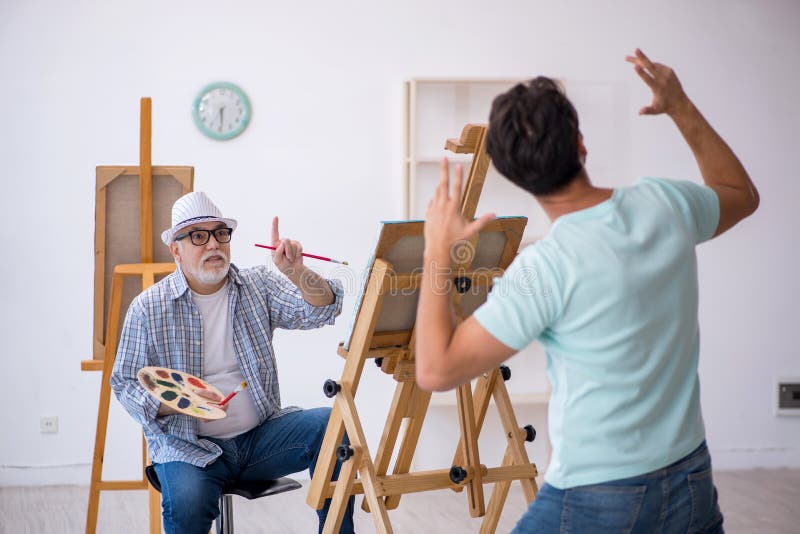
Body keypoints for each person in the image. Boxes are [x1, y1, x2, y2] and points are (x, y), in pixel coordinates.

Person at [415, 49, 758, 533]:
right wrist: (678, 104)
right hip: (689, 478)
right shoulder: (665, 204)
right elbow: (740, 194)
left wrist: (437, 253)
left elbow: (435, 368)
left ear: (515, 178)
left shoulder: (545, 267)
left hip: (598, 495)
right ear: (581, 144)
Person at [110, 191, 355, 534]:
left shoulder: (257, 285)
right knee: (189, 503)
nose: (213, 244)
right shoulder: (148, 307)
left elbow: (322, 309)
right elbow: (124, 383)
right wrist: (175, 401)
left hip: (259, 440)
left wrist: (298, 273)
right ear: (176, 249)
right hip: (188, 446)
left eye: (220, 233)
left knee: (332, 425)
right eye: (199, 236)